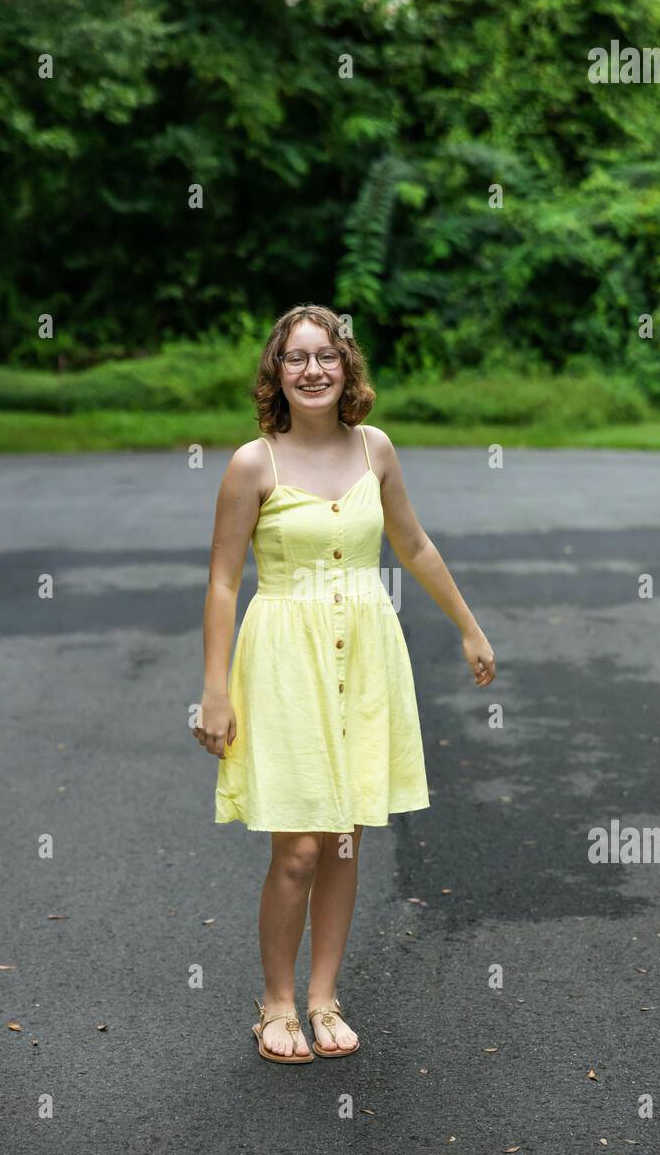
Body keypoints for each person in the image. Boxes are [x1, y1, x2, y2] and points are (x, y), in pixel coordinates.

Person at [193, 304, 496, 1063]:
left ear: (346, 367)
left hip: (365, 654)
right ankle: (276, 1003)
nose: (312, 371)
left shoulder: (375, 451)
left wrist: (468, 625)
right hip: (284, 660)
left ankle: (324, 998)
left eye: (325, 356)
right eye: (295, 358)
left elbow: (414, 543)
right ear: (275, 372)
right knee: (296, 847)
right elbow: (224, 583)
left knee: (340, 842)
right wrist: (215, 690)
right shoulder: (252, 464)